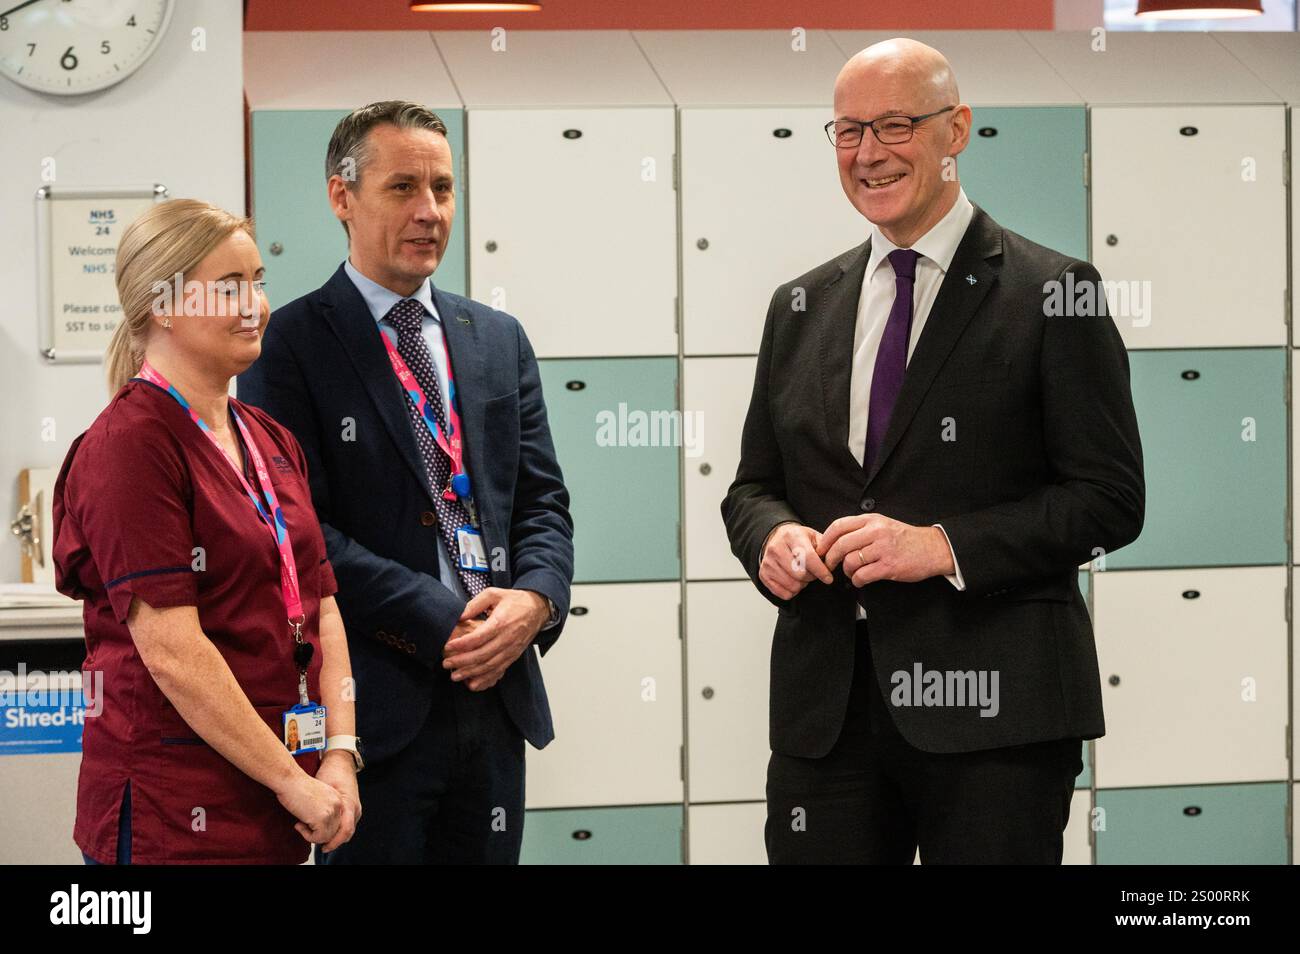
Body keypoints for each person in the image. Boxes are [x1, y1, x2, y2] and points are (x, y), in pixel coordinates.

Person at [721, 38, 1144, 864]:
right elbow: (753, 485)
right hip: (827, 721)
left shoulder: (1055, 291)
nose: (869, 153)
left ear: (957, 130)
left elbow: (1109, 500)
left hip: (997, 717)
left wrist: (940, 546)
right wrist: (770, 537)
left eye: (894, 125)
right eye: (848, 131)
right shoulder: (800, 305)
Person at [238, 101, 574, 865]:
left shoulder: (496, 338)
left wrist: (535, 599)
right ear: (341, 196)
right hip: (372, 707)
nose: (430, 212)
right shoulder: (287, 344)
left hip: (495, 695)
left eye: (443, 189)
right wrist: (437, 615)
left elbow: (542, 502)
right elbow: (299, 532)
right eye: (403, 188)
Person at [53, 199, 361, 864]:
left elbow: (321, 606)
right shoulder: (130, 446)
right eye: (229, 287)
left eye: (258, 282)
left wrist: (338, 752)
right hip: (177, 815)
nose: (255, 304)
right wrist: (291, 782)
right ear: (163, 304)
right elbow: (171, 654)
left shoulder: (268, 437)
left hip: (280, 800)